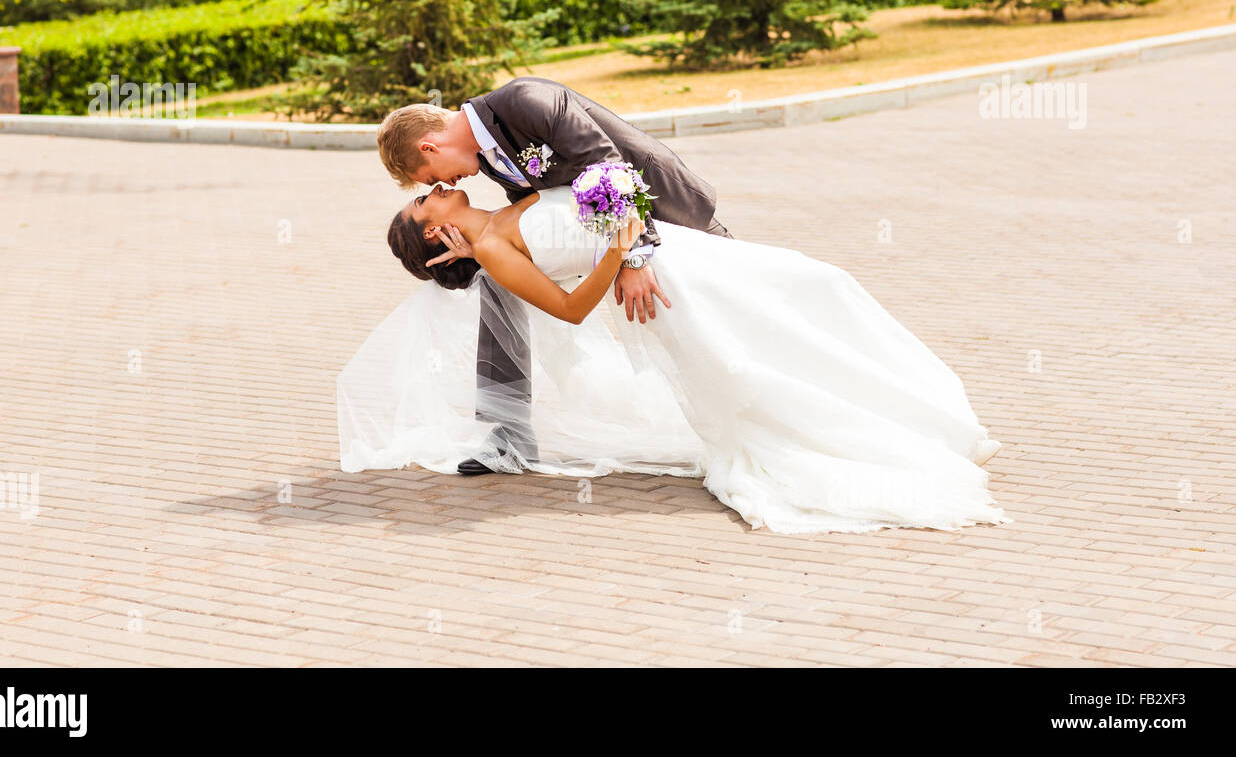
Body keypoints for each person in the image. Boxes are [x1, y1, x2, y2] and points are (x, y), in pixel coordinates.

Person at [336, 183, 1009, 536]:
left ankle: (923, 417)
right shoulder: (492, 253)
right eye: (423, 198)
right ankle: (894, 439)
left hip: (676, 256)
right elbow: (569, 308)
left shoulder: (505, 205)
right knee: (777, 336)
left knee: (816, 286)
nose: (436, 185)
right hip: (664, 284)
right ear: (434, 230)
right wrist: (618, 250)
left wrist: (620, 211)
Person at [374, 77, 730, 474]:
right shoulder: (488, 159)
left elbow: (605, 165)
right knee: (494, 283)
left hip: (664, 209)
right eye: (429, 189)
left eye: (428, 179)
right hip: (616, 236)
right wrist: (481, 254)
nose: (442, 185)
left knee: (734, 308)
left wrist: (632, 256)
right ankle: (508, 434)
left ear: (429, 147)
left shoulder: (525, 101)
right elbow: (539, 221)